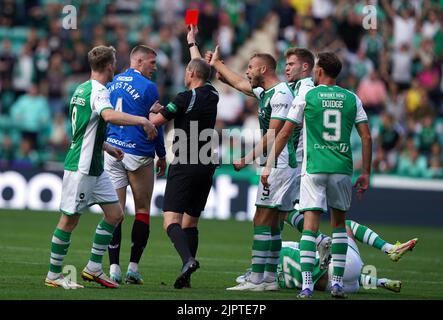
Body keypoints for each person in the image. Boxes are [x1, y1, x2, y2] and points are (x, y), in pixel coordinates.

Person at [44, 45, 157, 289]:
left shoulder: (80, 89)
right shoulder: (99, 91)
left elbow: (84, 129)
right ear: (109, 66)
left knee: (115, 214)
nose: (115, 67)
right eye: (114, 63)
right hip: (81, 167)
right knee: (69, 220)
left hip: (96, 166)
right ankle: (54, 275)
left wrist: (106, 147)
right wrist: (142, 120)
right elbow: (108, 116)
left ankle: (94, 267)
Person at [207, 46, 297, 291]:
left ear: (263, 69)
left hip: (279, 164)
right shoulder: (268, 93)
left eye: (250, 67)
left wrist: (246, 158)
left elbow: (274, 133)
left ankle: (257, 278)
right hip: (279, 164)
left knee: (261, 218)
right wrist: (217, 64)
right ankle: (269, 278)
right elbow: (237, 82)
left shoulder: (280, 95)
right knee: (274, 223)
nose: (247, 72)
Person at [286, 52, 372, 298]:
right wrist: (366, 171)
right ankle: (336, 283)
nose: (313, 72)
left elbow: (286, 131)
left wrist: (270, 163)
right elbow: (366, 136)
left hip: (314, 167)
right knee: (338, 225)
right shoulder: (351, 98)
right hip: (342, 168)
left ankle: (306, 285)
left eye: (315, 69)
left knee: (310, 228)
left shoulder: (308, 95)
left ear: (320, 70)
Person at [148, 25, 219, 289]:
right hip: (207, 163)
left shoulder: (183, 97)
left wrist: (149, 112)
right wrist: (192, 43)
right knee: (191, 222)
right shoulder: (212, 93)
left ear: (190, 74)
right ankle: (186, 275)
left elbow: (155, 122)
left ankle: (188, 260)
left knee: (170, 221)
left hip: (186, 161)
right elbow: (201, 68)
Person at [105, 45, 167, 285]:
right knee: (142, 210)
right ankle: (132, 268)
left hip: (113, 150)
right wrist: (161, 155)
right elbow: (155, 124)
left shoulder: (112, 82)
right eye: (152, 62)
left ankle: (113, 270)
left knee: (115, 213)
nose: (155, 67)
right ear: (139, 61)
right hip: (138, 152)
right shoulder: (149, 87)